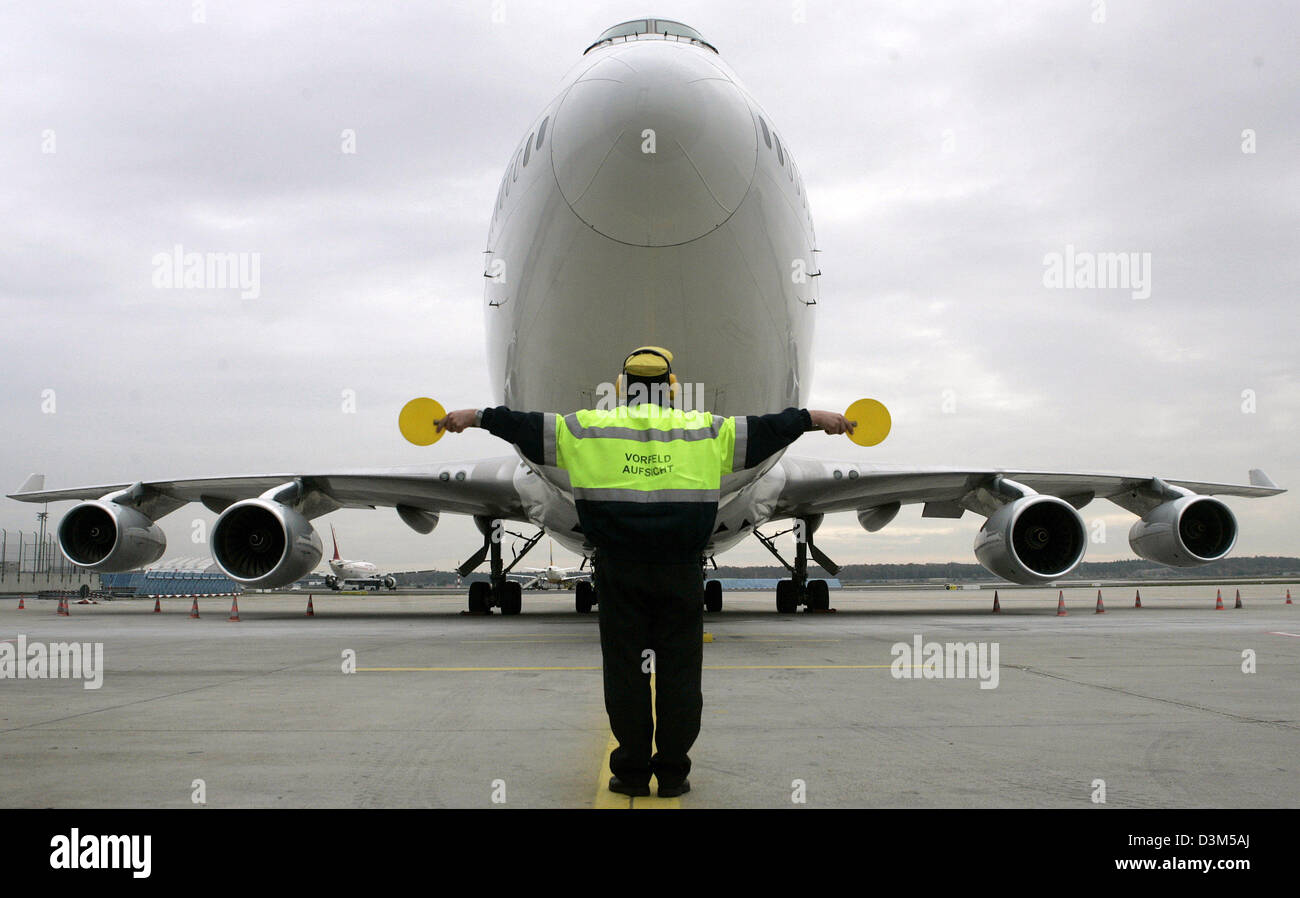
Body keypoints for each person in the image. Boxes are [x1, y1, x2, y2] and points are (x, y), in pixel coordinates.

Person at [434, 346, 854, 798]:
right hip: (680, 574)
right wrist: (815, 417)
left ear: (619, 388)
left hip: (619, 573)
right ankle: (673, 773)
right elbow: (773, 430)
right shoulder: (707, 431)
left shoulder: (585, 430)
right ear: (673, 389)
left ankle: (632, 772)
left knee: (627, 677)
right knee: (679, 678)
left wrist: (472, 416)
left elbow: (519, 424)